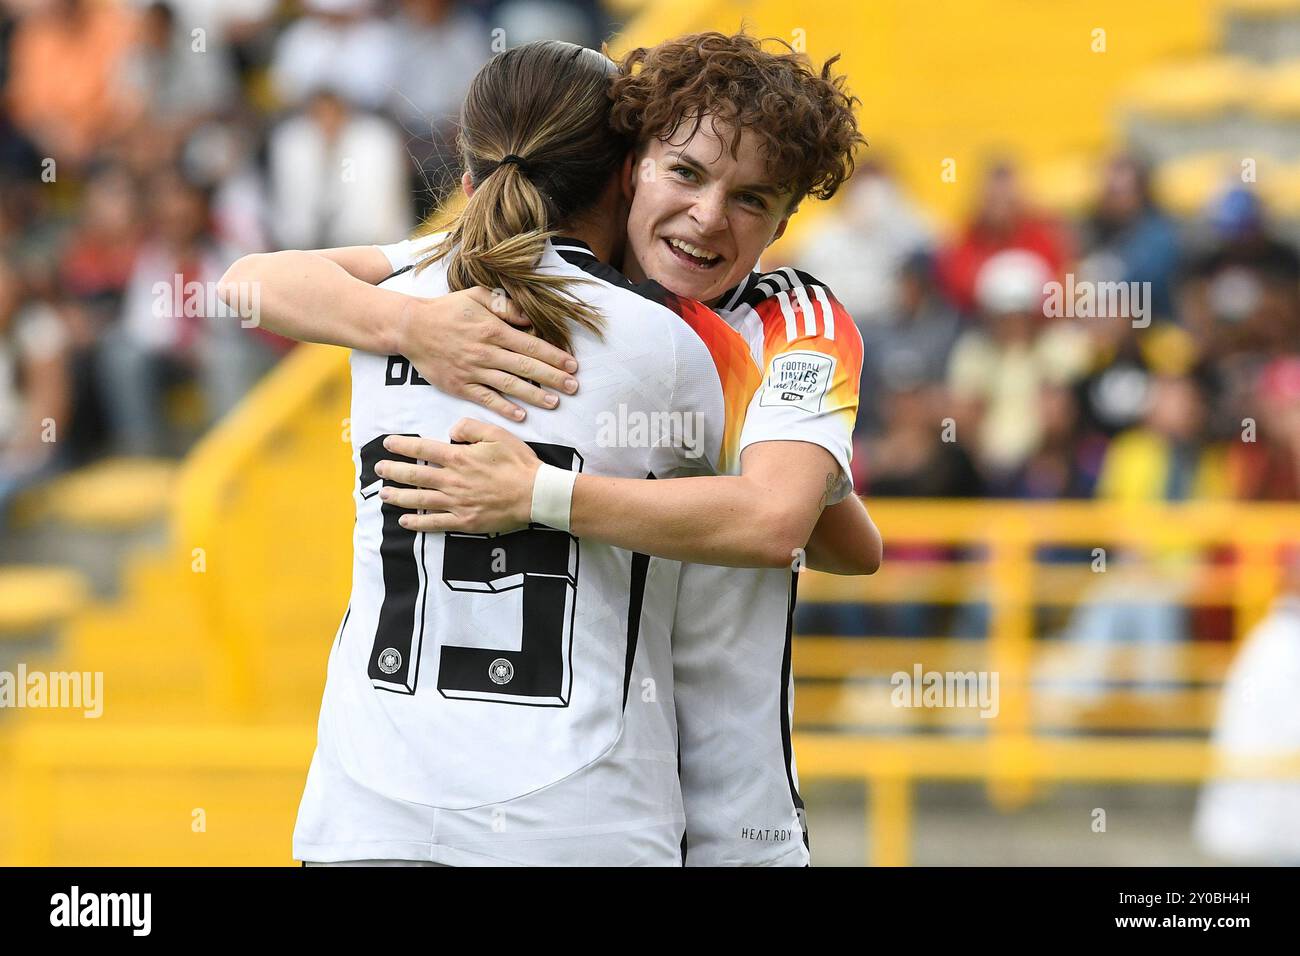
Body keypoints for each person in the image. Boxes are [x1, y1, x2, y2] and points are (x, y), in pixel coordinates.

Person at [224, 32, 882, 866]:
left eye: (753, 199)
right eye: (685, 173)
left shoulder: (786, 326)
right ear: (628, 167)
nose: (710, 215)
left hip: (718, 808)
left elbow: (793, 523)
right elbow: (250, 281)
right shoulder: (504, 283)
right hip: (596, 801)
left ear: (787, 218)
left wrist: (537, 491)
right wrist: (413, 328)